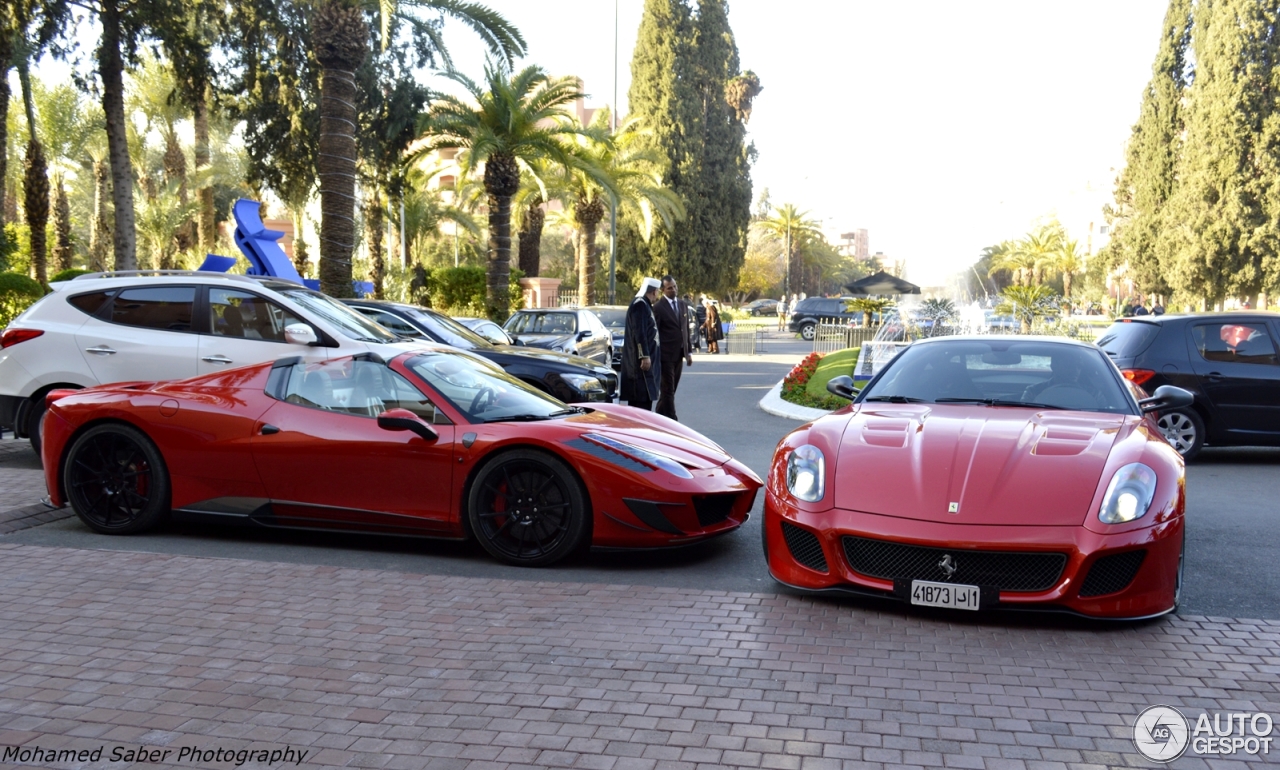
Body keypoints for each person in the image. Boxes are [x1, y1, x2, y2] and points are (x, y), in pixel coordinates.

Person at [653, 275, 693, 420]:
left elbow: (685, 329)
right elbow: (655, 333)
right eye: (670, 288)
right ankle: (672, 420)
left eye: (675, 286)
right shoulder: (658, 307)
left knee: (671, 389)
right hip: (665, 356)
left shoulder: (682, 305)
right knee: (668, 389)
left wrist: (688, 352)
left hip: (679, 354)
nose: (673, 290)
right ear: (663, 290)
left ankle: (658, 416)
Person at [621, 278, 661, 412]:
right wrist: (644, 355)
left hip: (646, 361)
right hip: (639, 366)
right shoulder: (640, 305)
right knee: (640, 403)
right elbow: (640, 332)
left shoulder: (645, 304)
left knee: (645, 401)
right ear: (654, 291)